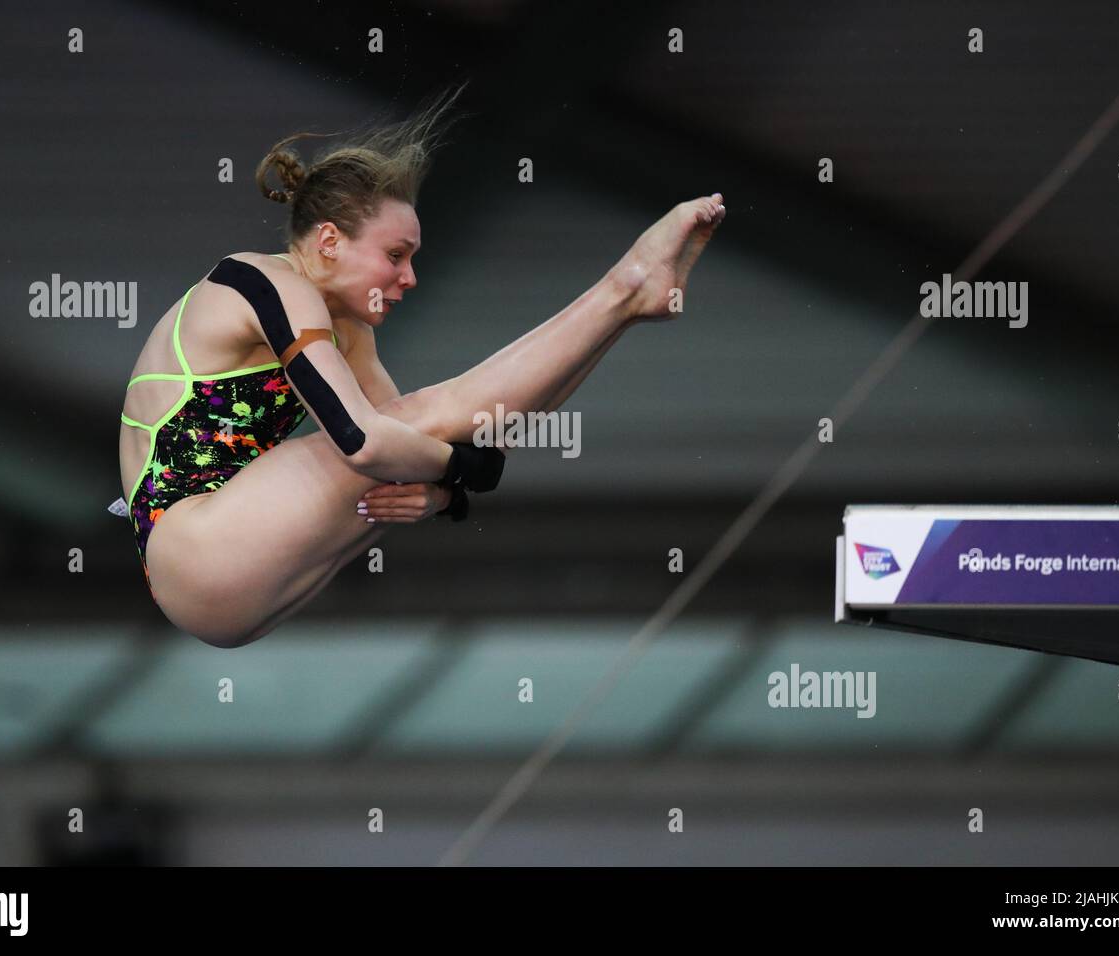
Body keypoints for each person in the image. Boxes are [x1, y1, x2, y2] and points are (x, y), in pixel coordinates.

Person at [116, 85, 726, 648]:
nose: (408, 277)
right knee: (428, 426)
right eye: (395, 256)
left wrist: (440, 492)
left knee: (438, 428)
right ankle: (625, 286)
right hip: (194, 549)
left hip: (232, 573)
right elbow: (360, 441)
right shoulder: (259, 282)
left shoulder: (343, 326)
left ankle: (626, 308)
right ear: (328, 242)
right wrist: (461, 469)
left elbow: (414, 442)